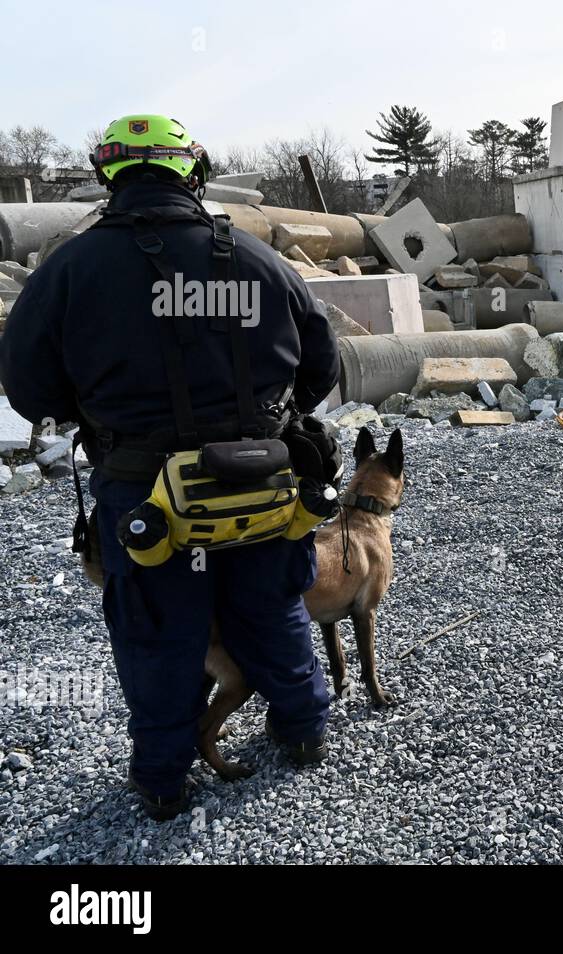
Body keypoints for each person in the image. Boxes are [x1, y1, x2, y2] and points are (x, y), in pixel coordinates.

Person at [0, 115, 340, 820]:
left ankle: (162, 779)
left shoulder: (68, 268)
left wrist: (99, 419)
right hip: (262, 479)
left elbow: (30, 389)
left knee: (159, 628)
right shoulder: (260, 261)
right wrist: (262, 422)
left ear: (108, 173)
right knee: (272, 607)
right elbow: (321, 370)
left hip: (143, 488)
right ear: (194, 170)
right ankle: (304, 729)